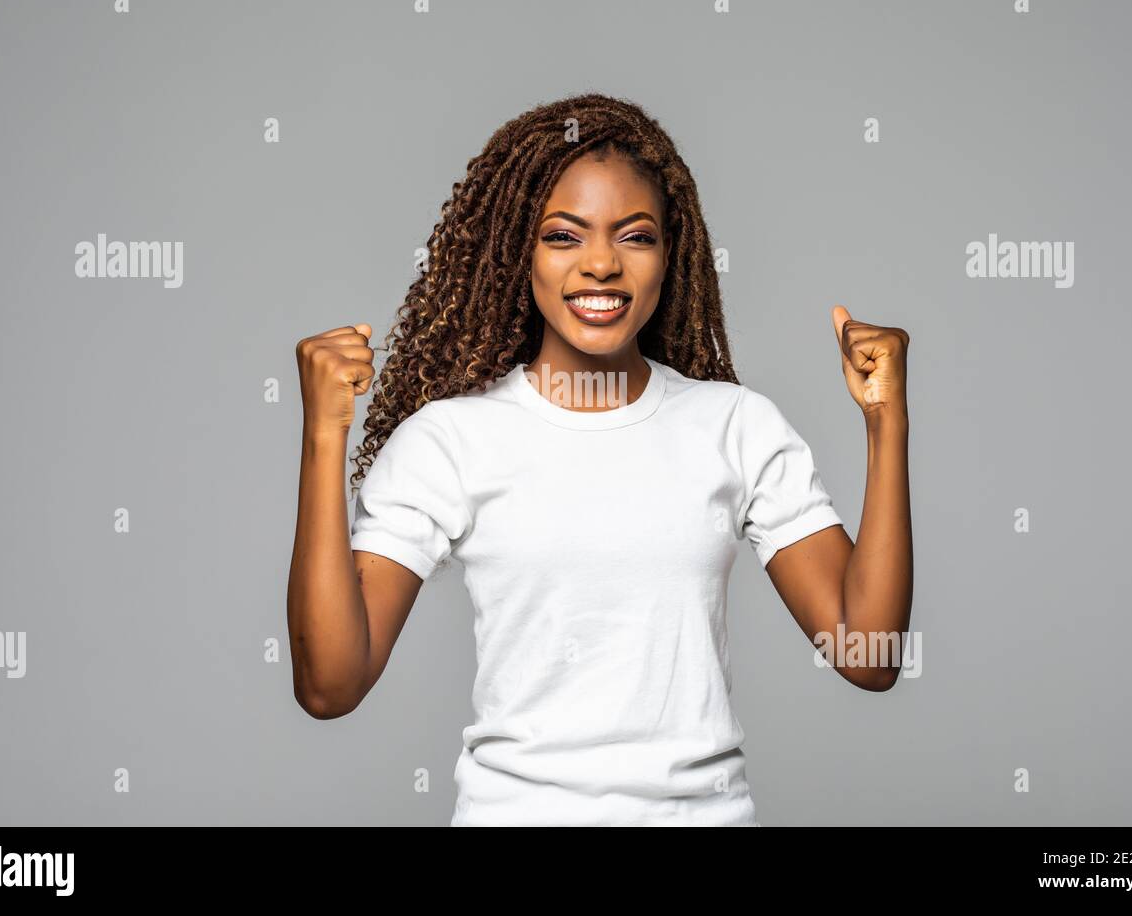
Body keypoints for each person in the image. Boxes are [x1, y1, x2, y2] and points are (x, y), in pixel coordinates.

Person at [287, 92, 913, 826]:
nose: (601, 265)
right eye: (563, 235)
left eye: (635, 236)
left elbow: (867, 654)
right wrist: (324, 437)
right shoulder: (451, 439)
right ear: (519, 251)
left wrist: (885, 423)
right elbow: (329, 686)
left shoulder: (734, 426)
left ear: (670, 253)